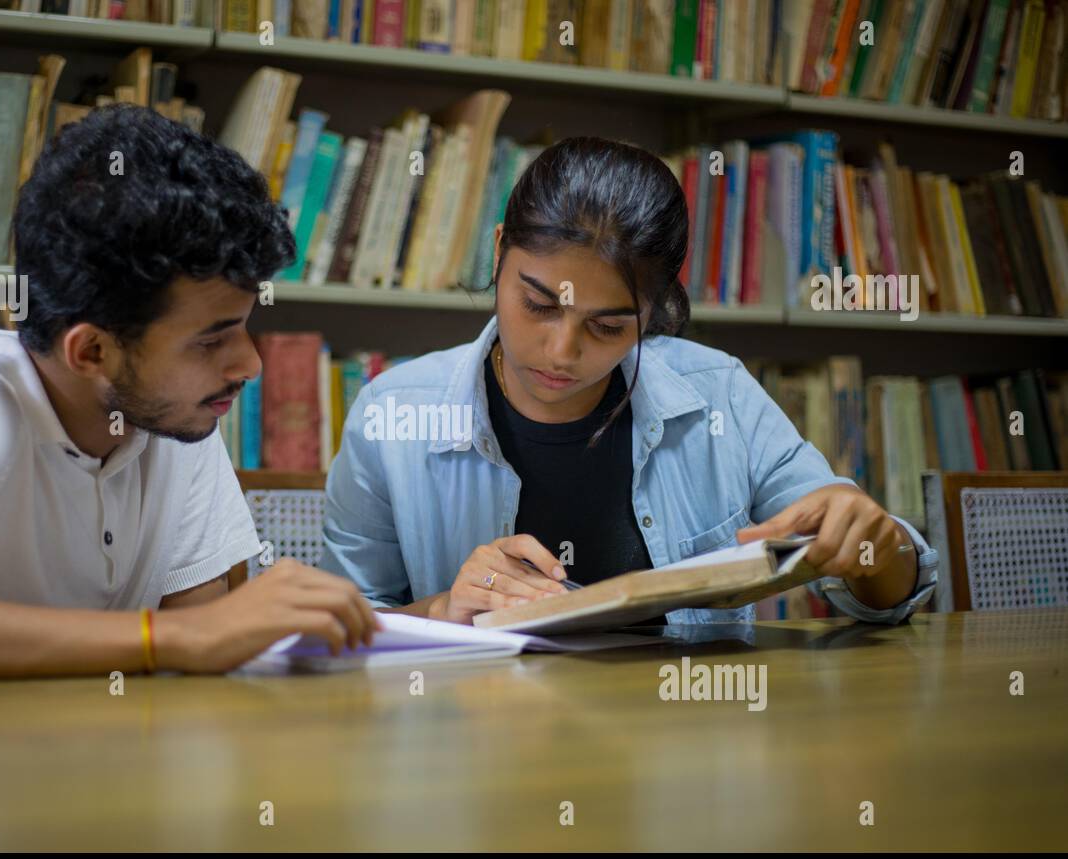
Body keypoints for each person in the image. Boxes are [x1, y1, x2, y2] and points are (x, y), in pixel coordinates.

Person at [0, 105, 378, 678]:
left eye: (244, 326)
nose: (250, 364)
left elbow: (203, 658)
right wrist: (166, 639)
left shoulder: (176, 423)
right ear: (92, 351)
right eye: (209, 340)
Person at [319, 136, 937, 626]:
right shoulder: (392, 415)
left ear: (655, 309)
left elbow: (890, 596)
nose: (561, 353)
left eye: (609, 326)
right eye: (537, 305)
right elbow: (344, 634)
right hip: (481, 756)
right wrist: (444, 611)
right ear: (501, 249)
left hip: (684, 752)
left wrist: (876, 546)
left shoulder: (717, 395)